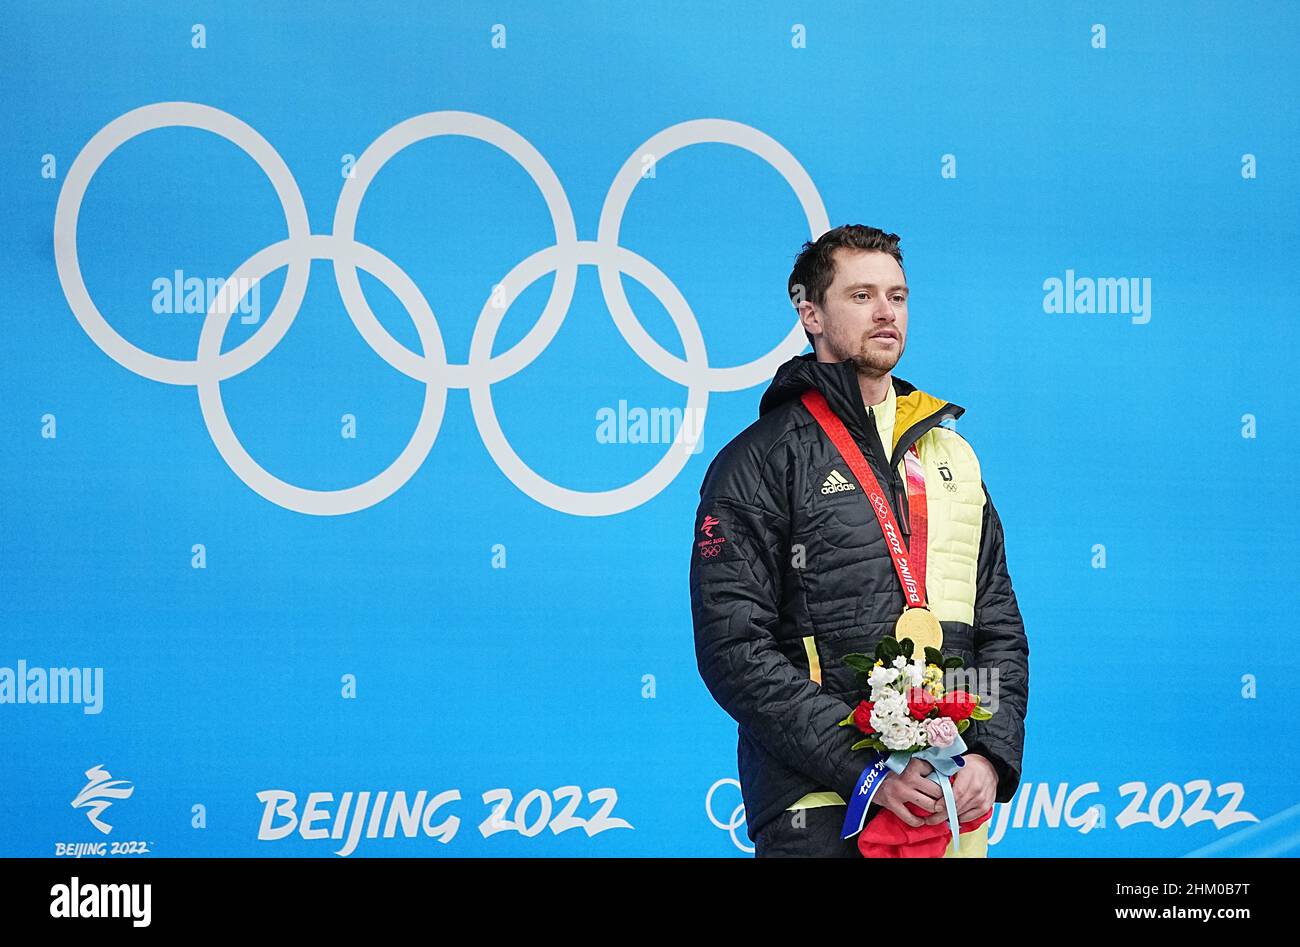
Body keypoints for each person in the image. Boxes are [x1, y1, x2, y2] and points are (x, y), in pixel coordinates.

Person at [689, 224, 1029, 857]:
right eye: (862, 295)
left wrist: (987, 755)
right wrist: (867, 769)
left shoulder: (953, 454)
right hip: (819, 804)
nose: (885, 313)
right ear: (809, 311)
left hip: (949, 800)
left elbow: (996, 627)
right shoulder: (760, 462)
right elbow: (733, 648)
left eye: (897, 297)